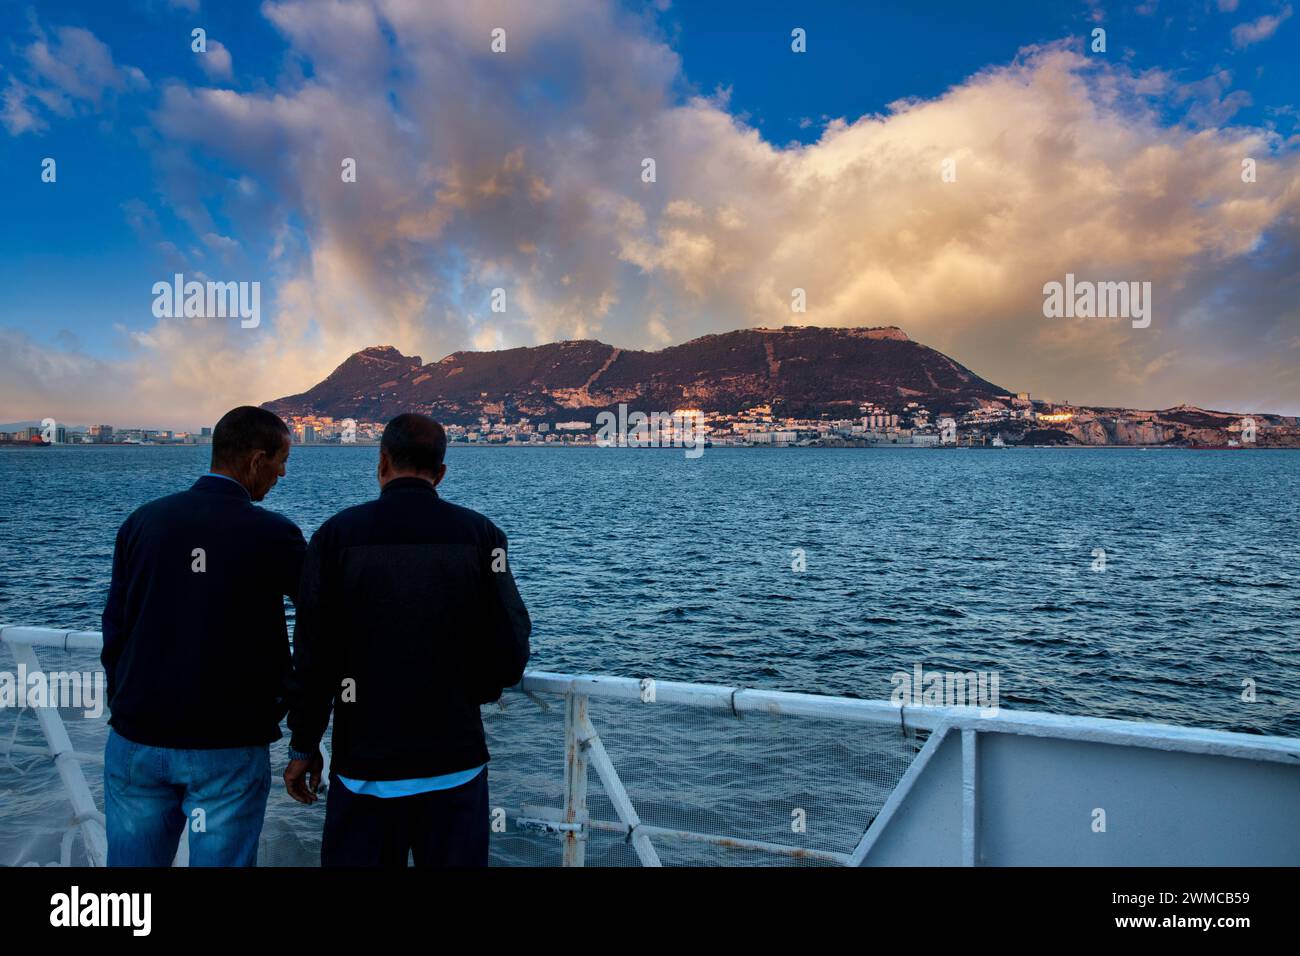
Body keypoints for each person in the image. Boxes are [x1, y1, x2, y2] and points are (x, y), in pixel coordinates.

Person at [284, 413, 530, 867]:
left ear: (381, 463)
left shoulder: (335, 536)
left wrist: (304, 745)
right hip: (455, 763)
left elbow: (313, 654)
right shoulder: (484, 536)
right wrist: (475, 690)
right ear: (440, 472)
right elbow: (511, 642)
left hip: (364, 769)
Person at [101, 405, 306, 866]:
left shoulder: (142, 522)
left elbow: (115, 627)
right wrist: (297, 717)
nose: (283, 473)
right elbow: (321, 621)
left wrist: (125, 699)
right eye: (281, 460)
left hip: (137, 735)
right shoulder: (273, 533)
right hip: (227, 743)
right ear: (256, 460)